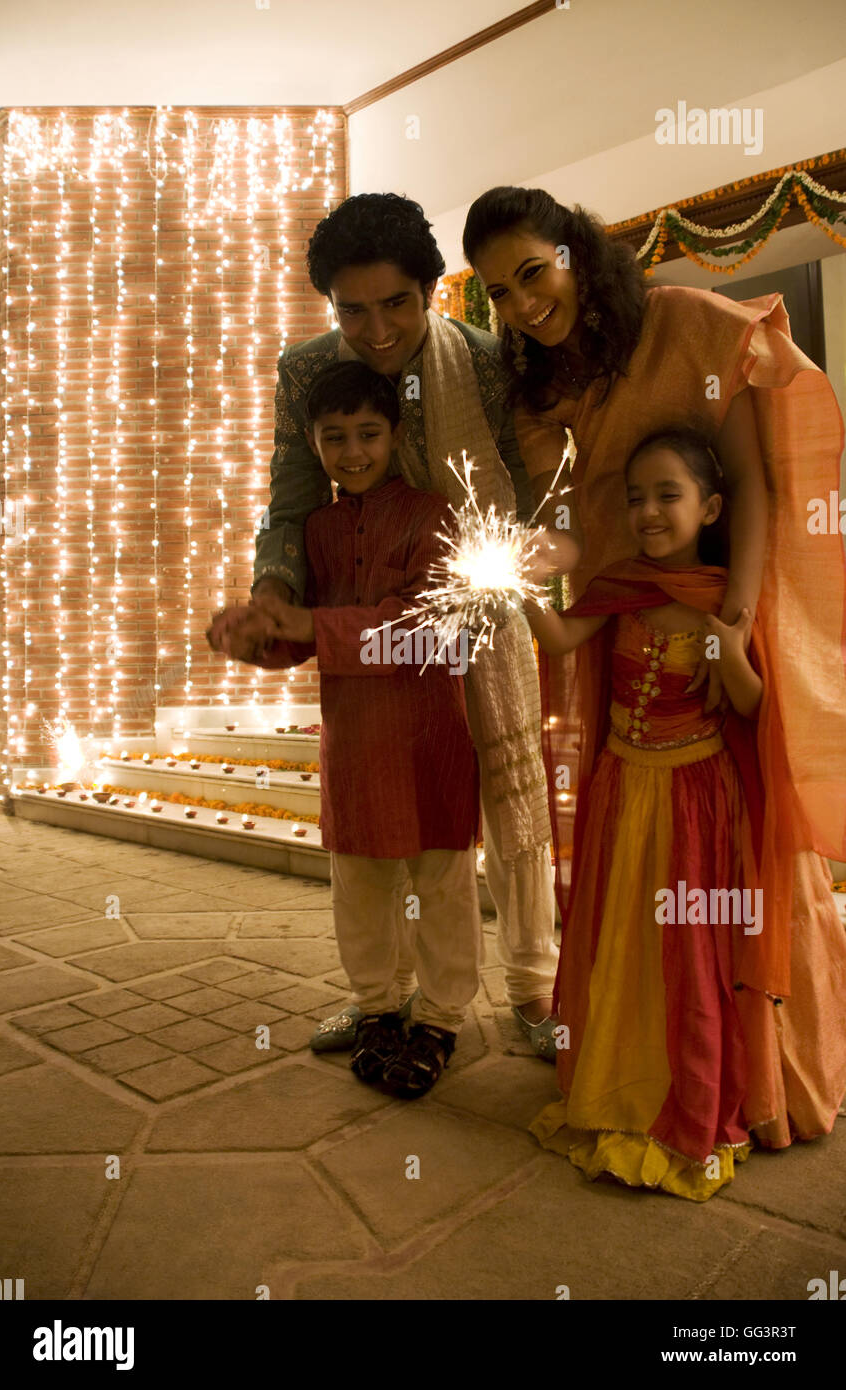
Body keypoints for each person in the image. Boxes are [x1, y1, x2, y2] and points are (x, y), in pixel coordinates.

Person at [207, 193, 580, 1058]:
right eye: (352, 309)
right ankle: (385, 999)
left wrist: (529, 562)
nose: (375, 331)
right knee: (382, 819)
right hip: (368, 604)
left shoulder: (492, 360)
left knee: (511, 793)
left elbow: (533, 494)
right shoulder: (307, 372)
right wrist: (273, 593)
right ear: (329, 307)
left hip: (479, 605)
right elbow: (290, 502)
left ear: (435, 290)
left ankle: (531, 986)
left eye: (397, 304)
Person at [462, 184, 846, 933]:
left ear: (574, 253)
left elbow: (747, 482)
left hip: (726, 599)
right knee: (634, 818)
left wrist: (729, 623)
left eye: (533, 274)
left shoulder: (683, 320)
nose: (521, 307)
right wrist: (534, 557)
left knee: (745, 818)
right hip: (622, 604)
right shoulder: (536, 390)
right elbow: (571, 521)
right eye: (499, 292)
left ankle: (748, 1029)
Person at [521, 429, 846, 1200]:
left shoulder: (722, 599)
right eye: (635, 497)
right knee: (625, 942)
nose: (647, 511)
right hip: (620, 790)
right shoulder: (618, 586)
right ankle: (617, 1079)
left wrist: (729, 653)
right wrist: (515, 588)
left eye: (667, 494)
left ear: (711, 506)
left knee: (689, 951)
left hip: (697, 800)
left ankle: (690, 1093)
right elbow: (564, 636)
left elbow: (755, 708)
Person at [212, 361, 483, 1098]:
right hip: (357, 742)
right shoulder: (317, 531)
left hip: (429, 736)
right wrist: (256, 639)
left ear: (396, 435)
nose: (354, 452)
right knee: (358, 886)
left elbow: (426, 630)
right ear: (314, 442)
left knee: (441, 883)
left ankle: (441, 1017)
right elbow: (302, 641)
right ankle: (377, 1007)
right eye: (336, 438)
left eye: (368, 434)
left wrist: (309, 624)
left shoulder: (435, 514)